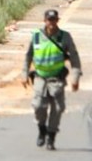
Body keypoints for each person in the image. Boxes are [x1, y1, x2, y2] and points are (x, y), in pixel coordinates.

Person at [23, 9, 81, 151]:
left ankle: (51, 136)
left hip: (57, 79)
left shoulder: (65, 37)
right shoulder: (36, 36)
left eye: (54, 20)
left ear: (57, 20)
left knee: (58, 108)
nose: (52, 23)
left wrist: (75, 77)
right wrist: (24, 74)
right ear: (44, 21)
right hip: (40, 78)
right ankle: (42, 129)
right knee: (38, 106)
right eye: (49, 20)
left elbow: (74, 58)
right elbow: (28, 56)